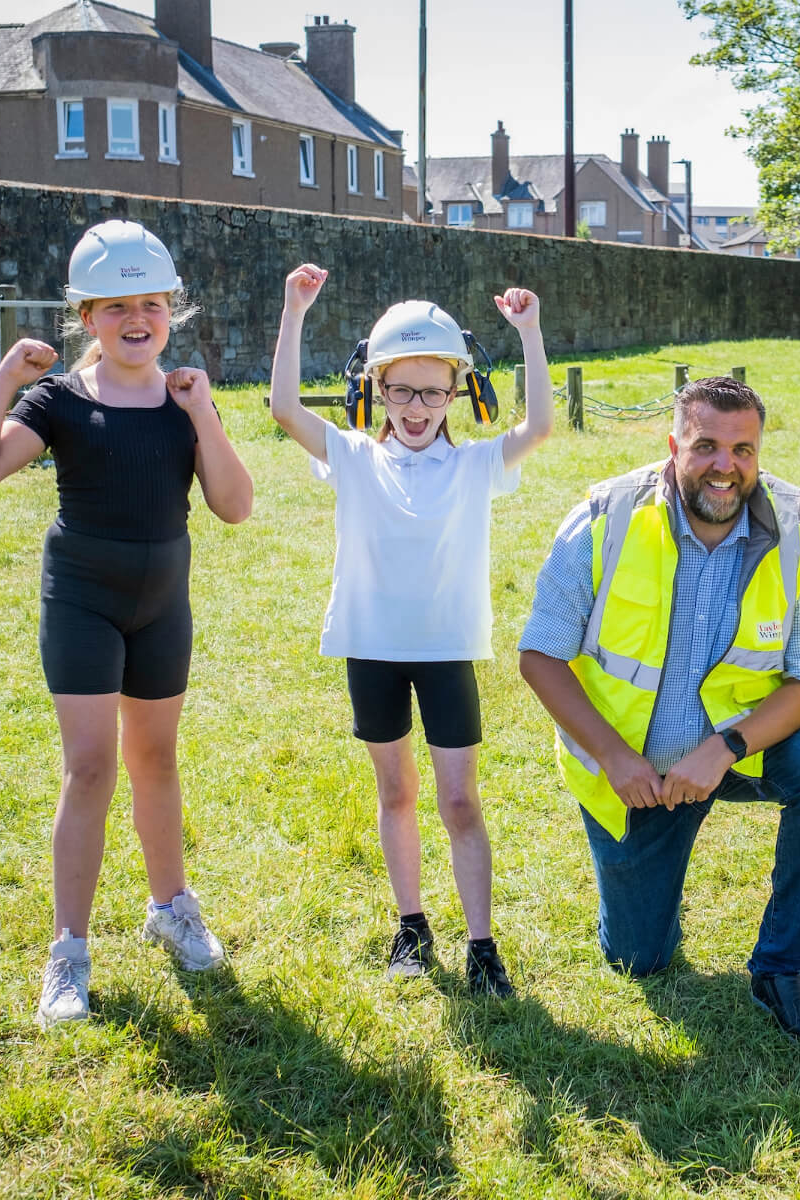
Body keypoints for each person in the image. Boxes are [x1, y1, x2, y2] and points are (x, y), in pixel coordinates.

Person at [0, 219, 254, 1029]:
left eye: (151, 304)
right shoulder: (58, 401)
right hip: (83, 600)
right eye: (116, 306)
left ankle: (170, 908)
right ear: (86, 317)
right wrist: (7, 377)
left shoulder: (183, 399)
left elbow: (235, 506)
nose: (136, 319)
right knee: (89, 768)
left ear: (171, 310)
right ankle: (68, 953)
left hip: (163, 604)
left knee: (157, 759)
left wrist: (205, 412)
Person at [517, 376, 800, 1041]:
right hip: (635, 774)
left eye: (743, 450)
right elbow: (539, 657)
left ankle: (780, 966)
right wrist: (616, 759)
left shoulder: (797, 527)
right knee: (638, 959)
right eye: (706, 447)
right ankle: (647, 904)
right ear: (673, 447)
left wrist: (723, 749)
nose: (725, 466)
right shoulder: (605, 518)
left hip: (740, 750)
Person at [268, 266, 553, 997]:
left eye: (432, 391)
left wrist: (529, 332)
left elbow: (540, 427)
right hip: (372, 652)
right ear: (376, 389)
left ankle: (482, 946)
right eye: (400, 390)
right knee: (396, 793)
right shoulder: (353, 457)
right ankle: (412, 925)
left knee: (460, 802)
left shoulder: (476, 465)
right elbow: (284, 407)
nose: (416, 407)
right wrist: (295, 312)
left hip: (447, 654)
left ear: (457, 392)